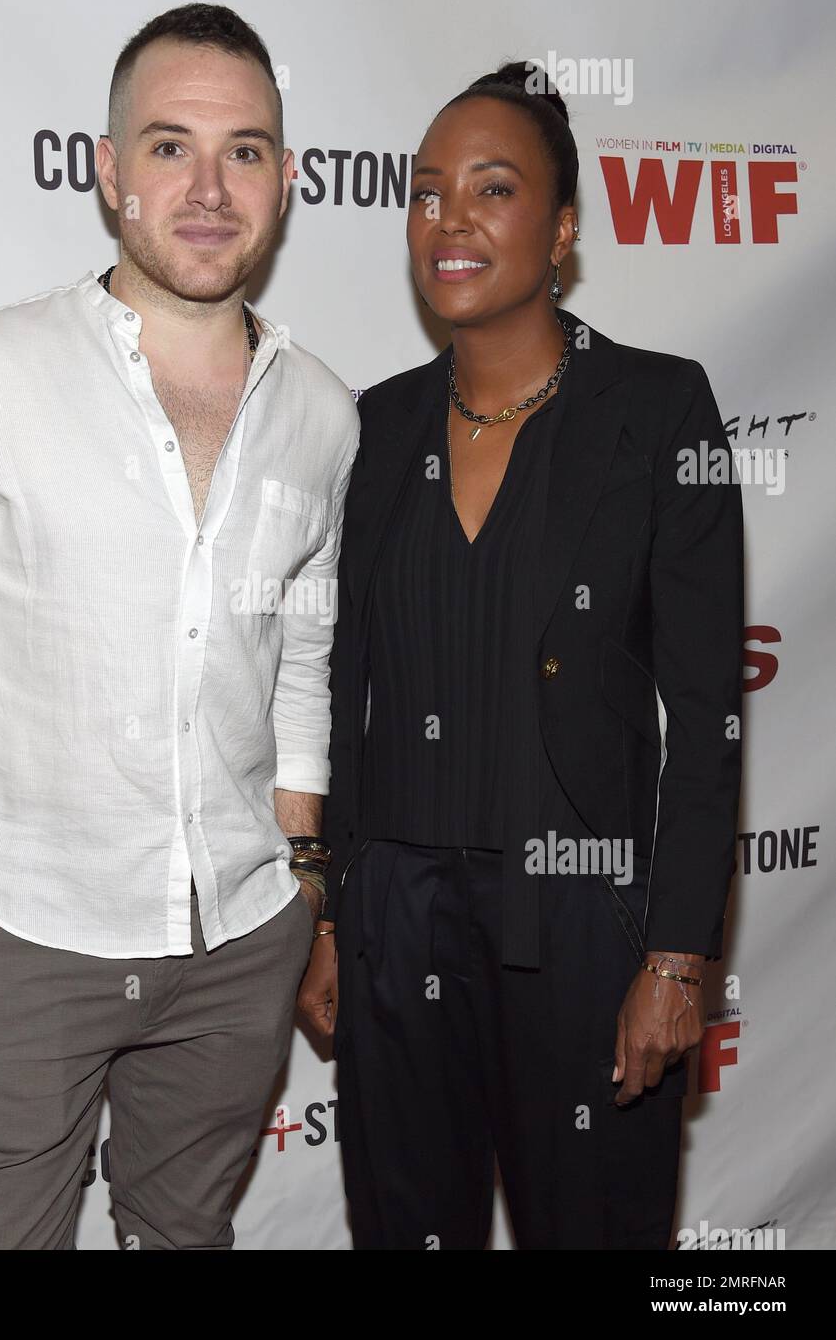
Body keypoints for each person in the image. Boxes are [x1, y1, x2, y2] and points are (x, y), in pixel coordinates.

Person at [0, 2, 359, 1250]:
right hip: (19, 939)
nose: (210, 187)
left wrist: (300, 882)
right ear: (110, 172)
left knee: (183, 1236)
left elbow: (301, 673)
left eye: (243, 150)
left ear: (282, 180)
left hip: (240, 943)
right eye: (170, 146)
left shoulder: (324, 416)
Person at [298, 61, 744, 1249]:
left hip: (585, 921)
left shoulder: (657, 412)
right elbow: (337, 693)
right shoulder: (372, 426)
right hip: (396, 920)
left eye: (490, 190)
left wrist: (677, 953)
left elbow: (707, 716)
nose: (449, 218)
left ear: (560, 231)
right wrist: (330, 914)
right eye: (427, 190)